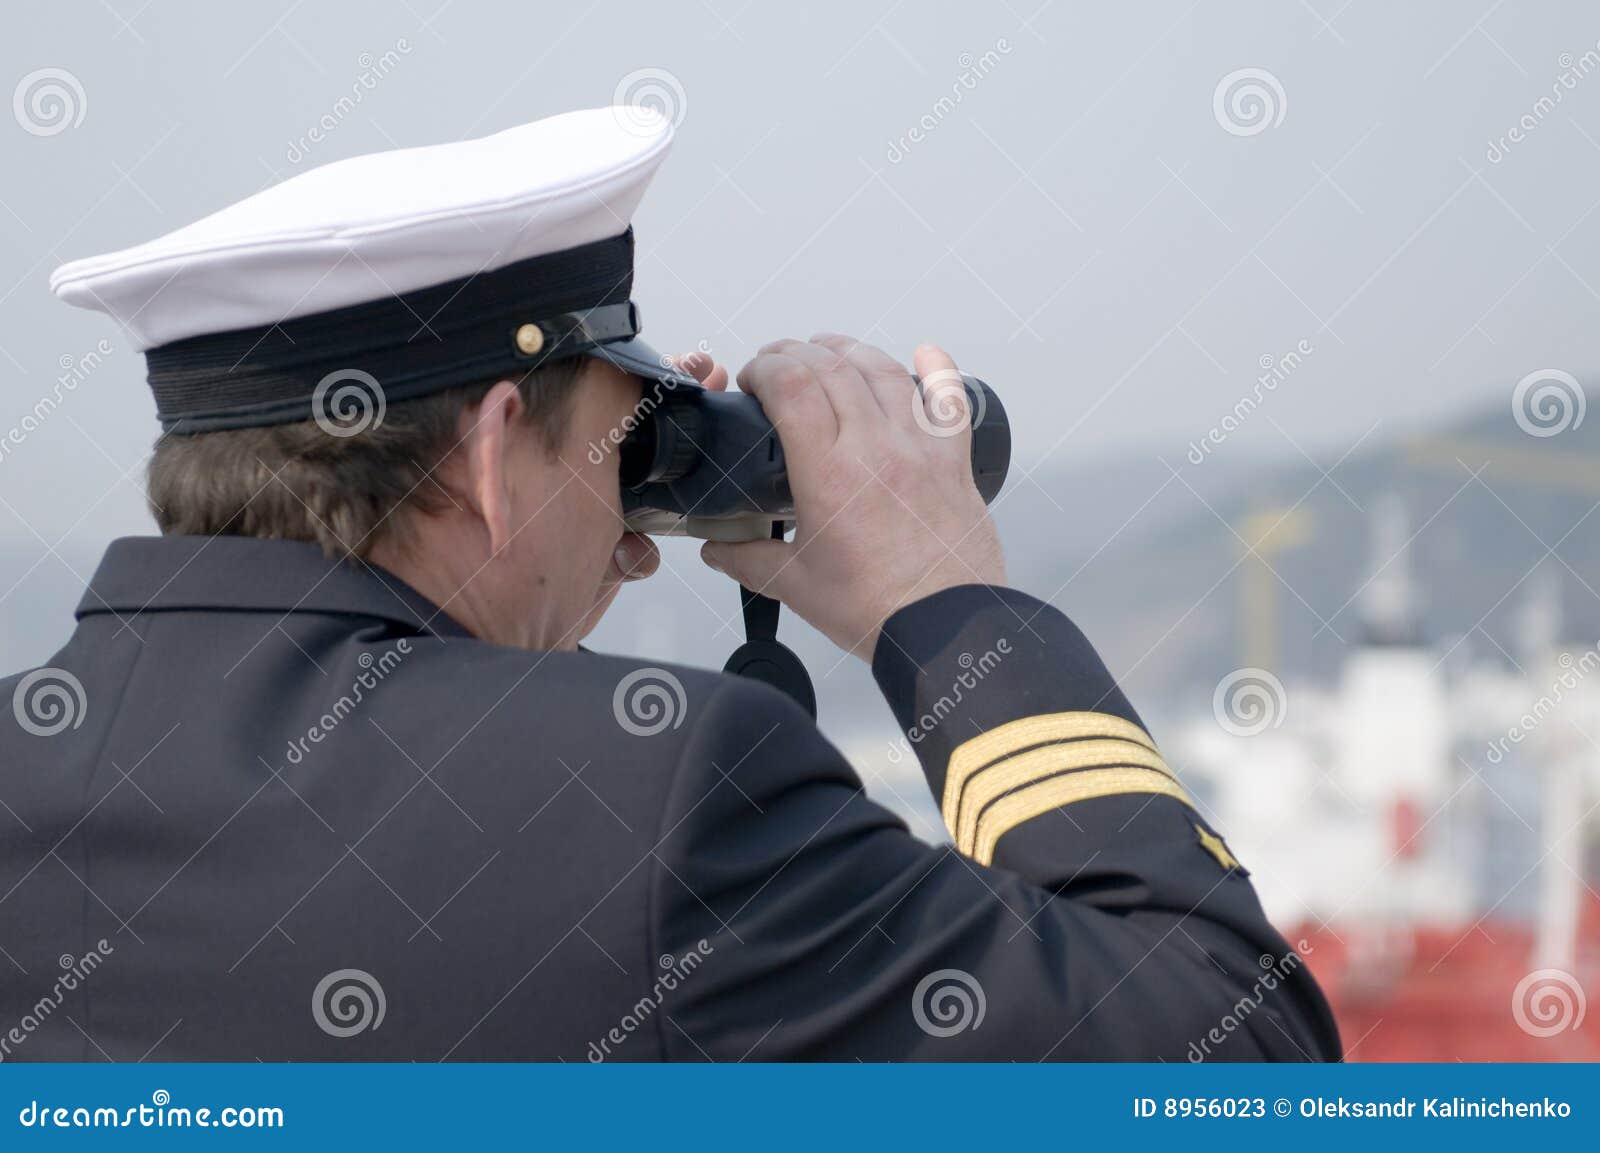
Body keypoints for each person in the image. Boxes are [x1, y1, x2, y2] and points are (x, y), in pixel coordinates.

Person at [0, 107, 1340, 1061]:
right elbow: (1235, 1050)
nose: (632, 504)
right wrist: (946, 602)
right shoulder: (656, 795)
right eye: (618, 428)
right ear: (489, 452)